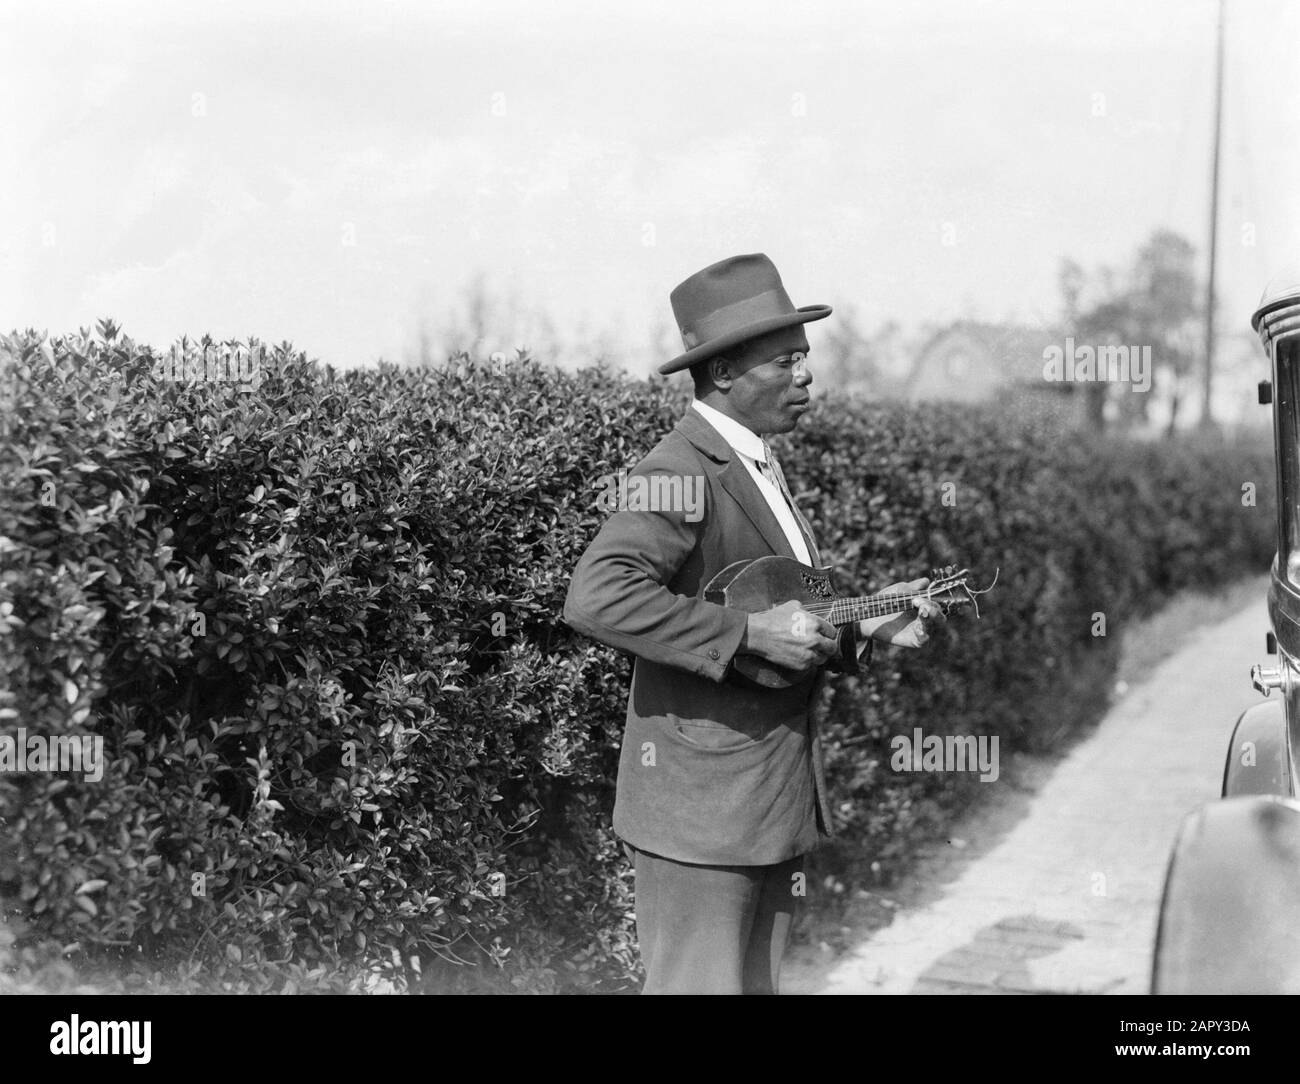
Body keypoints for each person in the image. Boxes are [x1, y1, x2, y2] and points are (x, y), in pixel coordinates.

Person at [562, 252, 942, 994]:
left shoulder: (757, 464)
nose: (807, 378)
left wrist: (863, 626)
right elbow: (598, 595)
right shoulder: (682, 468)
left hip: (765, 804)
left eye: (806, 360)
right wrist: (741, 638)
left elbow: (776, 615)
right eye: (787, 362)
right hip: (702, 819)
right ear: (726, 372)